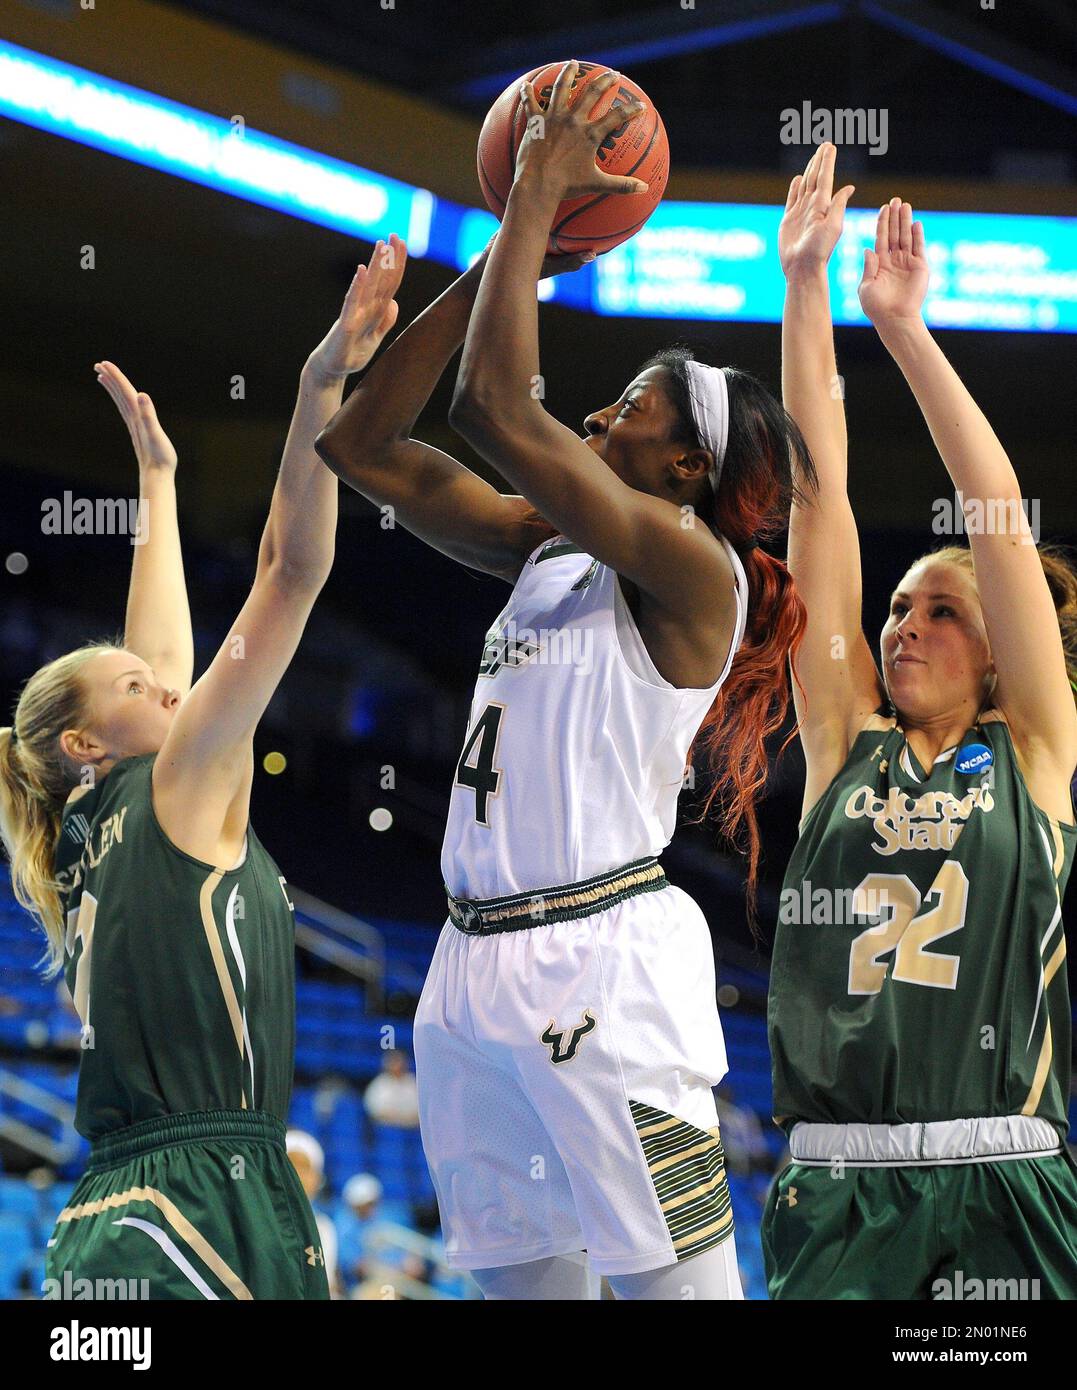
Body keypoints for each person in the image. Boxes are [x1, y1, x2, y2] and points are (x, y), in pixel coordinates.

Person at [317, 63, 816, 1300]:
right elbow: (362, 442)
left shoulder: (701, 574)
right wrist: (506, 253)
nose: (600, 410)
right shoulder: (544, 547)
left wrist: (532, 208)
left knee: (677, 1292)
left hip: (608, 969)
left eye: (634, 407)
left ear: (691, 466)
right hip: (469, 971)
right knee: (521, 1292)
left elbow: (497, 402)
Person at [0, 244, 402, 1299]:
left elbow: (160, 663)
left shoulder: (95, 826)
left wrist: (159, 480)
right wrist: (322, 388)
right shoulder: (173, 785)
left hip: (110, 1217)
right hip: (203, 1209)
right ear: (85, 743)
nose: (167, 687)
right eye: (137, 690)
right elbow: (292, 567)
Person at [763, 143, 1077, 1299]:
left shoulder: (1033, 748)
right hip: (841, 1186)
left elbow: (994, 513)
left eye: (943, 611)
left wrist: (905, 332)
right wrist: (803, 289)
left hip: (1006, 1175)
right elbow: (815, 494)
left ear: (999, 647)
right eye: (897, 607)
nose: (905, 625)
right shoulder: (845, 737)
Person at [287, 1130, 342, 1296]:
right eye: (290, 1165)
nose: (297, 1175)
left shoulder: (323, 1228)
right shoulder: (256, 1221)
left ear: (317, 1178)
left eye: (304, 1168)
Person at [363, 1048, 420, 1129]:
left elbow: (419, 1110)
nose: (396, 1065)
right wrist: (391, 1117)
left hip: (411, 1129)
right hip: (385, 1129)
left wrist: (405, 1119)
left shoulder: (412, 1082)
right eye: (392, 1061)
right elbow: (372, 1108)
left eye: (398, 1061)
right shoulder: (379, 1083)